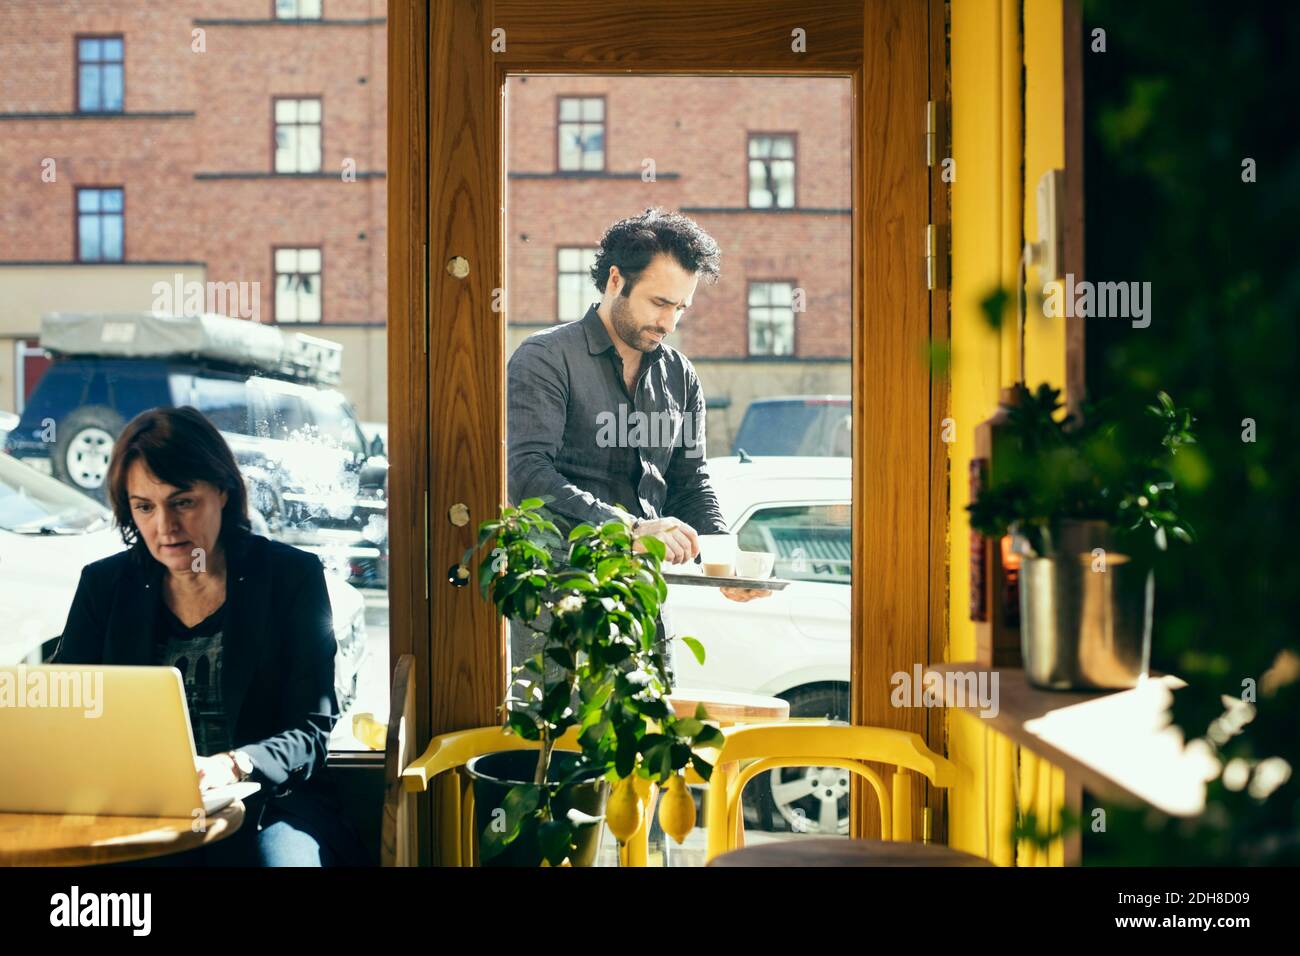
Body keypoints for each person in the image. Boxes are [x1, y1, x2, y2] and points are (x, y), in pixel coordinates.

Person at [54, 406, 363, 867]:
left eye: (182, 502)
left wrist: (232, 764)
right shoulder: (105, 586)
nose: (165, 527)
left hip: (269, 805)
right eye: (144, 507)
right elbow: (65, 709)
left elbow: (310, 732)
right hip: (143, 807)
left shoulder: (289, 577)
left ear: (222, 491)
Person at [507, 207, 771, 690]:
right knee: (557, 755)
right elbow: (527, 474)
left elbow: (691, 483)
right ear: (614, 280)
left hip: (644, 601)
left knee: (645, 749)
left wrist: (723, 557)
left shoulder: (680, 376)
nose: (669, 322)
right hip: (555, 601)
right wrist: (628, 528)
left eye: (681, 309)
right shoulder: (545, 358)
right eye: (659, 303)